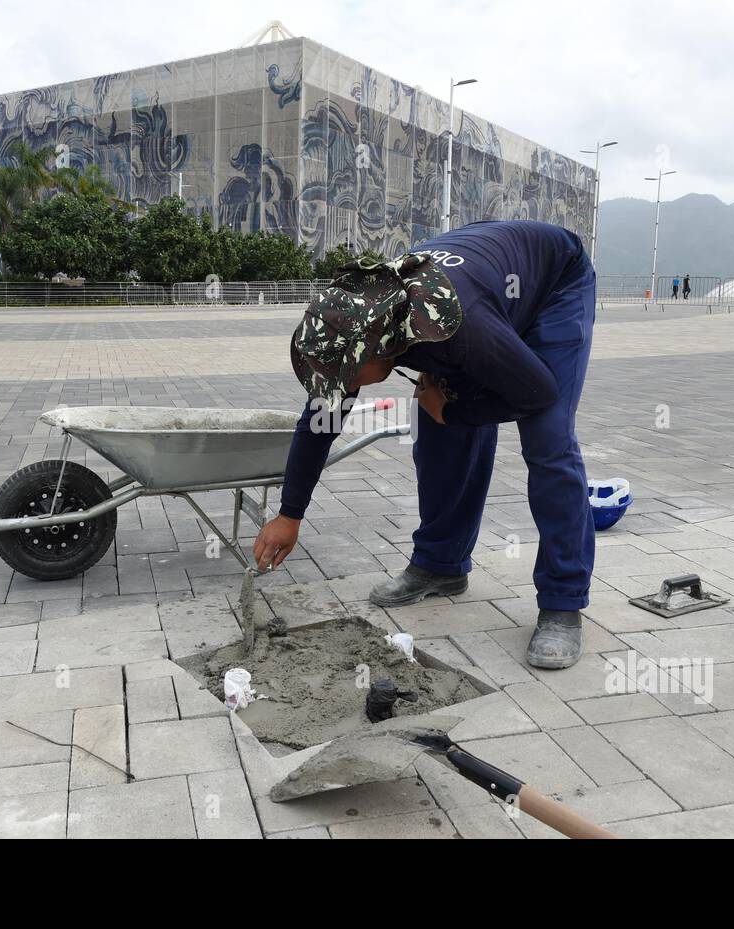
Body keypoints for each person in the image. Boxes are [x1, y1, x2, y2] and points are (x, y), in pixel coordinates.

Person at [253, 220, 597, 670]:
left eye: (352, 377)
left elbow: (536, 393)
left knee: (547, 440)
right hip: (482, 289)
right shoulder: (356, 325)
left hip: (553, 282)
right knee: (435, 435)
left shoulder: (463, 327)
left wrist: (451, 409)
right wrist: (290, 513)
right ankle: (441, 564)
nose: (347, 387)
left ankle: (562, 601)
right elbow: (320, 420)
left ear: (383, 347)